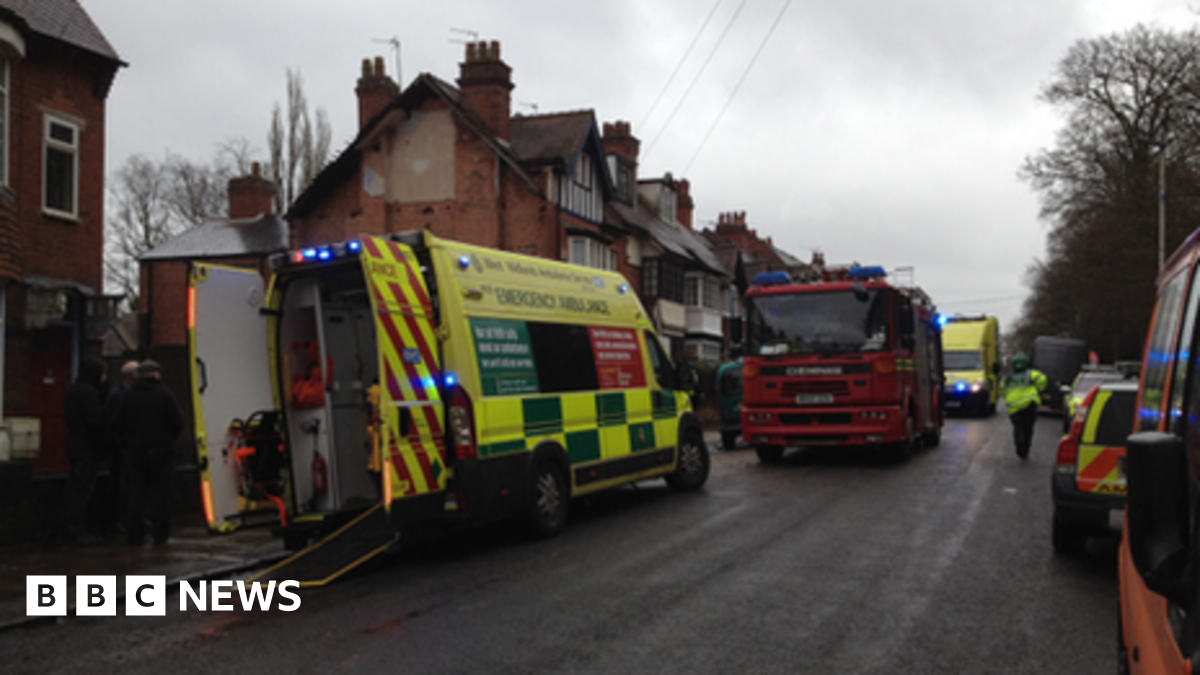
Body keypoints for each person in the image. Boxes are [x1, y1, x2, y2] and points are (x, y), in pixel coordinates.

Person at [114, 360, 184, 545]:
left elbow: (119, 424)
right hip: (161, 452)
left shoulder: (128, 396)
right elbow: (177, 423)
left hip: (136, 452)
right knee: (161, 494)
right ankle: (160, 534)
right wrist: (167, 441)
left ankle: (134, 534)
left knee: (136, 493)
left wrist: (129, 444)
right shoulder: (165, 395)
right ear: (155, 374)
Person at [64, 356, 107, 545]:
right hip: (86, 447)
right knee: (82, 489)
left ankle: (72, 527)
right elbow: (96, 421)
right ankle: (75, 529)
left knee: (76, 486)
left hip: (74, 444)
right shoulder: (89, 393)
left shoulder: (74, 390)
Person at [102, 360, 140, 531]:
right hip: (121, 447)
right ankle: (118, 519)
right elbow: (113, 422)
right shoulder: (117, 395)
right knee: (120, 483)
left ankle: (129, 517)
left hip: (131, 446)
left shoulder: (129, 393)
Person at [1001, 353, 1047, 460]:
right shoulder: (1032, 374)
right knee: (1028, 428)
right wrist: (1038, 389)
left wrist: (1010, 395)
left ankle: (1019, 446)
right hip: (1029, 406)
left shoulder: (1007, 378)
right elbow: (1043, 379)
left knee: (1018, 428)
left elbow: (1001, 391)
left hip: (1014, 408)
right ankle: (1025, 449)